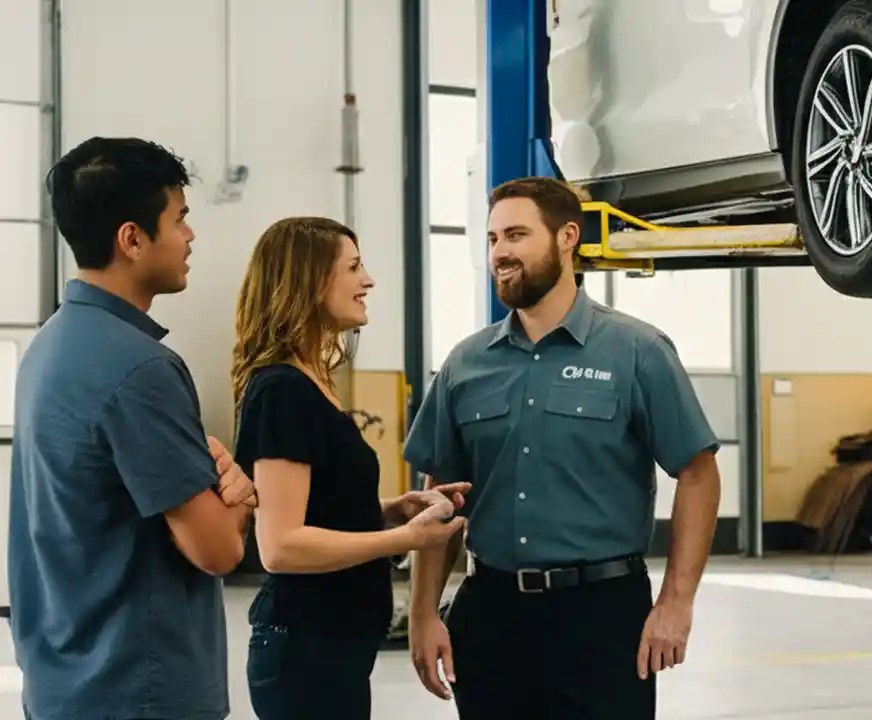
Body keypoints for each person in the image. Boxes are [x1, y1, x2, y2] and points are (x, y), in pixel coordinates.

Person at [404, 176, 723, 718]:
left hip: (600, 615)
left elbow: (698, 473)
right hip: (490, 614)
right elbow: (441, 499)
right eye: (492, 239)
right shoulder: (466, 363)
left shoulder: (637, 351)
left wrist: (676, 602)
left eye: (516, 235)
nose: (500, 252)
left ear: (567, 237)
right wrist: (423, 613)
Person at [8, 136, 257, 720]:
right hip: (140, 689)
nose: (191, 236)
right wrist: (238, 499)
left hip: (63, 683)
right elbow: (218, 549)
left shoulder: (49, 348)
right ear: (132, 238)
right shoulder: (142, 368)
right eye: (180, 219)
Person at [229, 216, 469, 719]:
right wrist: (406, 540)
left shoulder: (312, 382)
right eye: (354, 267)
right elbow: (282, 546)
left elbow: (318, 507)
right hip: (305, 650)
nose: (369, 280)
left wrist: (390, 511)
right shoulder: (281, 391)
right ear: (310, 282)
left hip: (334, 646)